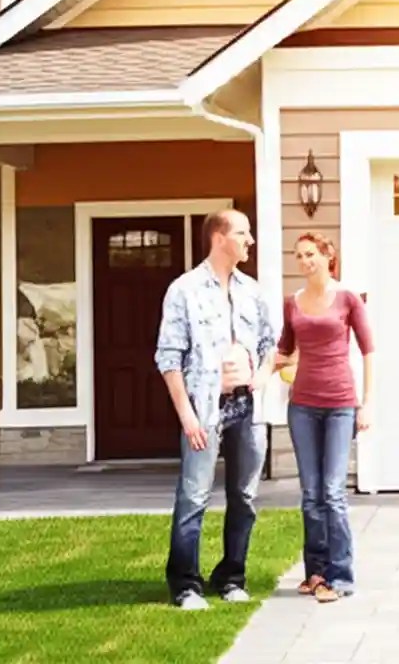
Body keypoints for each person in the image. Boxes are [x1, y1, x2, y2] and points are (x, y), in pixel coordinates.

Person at [155, 209, 277, 611]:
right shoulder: (184, 290)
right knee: (194, 496)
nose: (250, 240)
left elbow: (268, 345)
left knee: (244, 496)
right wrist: (187, 416)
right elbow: (169, 359)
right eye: (243, 233)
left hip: (247, 408)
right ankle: (185, 585)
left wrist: (259, 376)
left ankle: (231, 576)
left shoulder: (252, 291)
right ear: (219, 238)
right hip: (205, 410)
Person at [276, 232, 374, 603]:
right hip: (302, 405)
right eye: (299, 256)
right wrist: (255, 374)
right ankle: (315, 573)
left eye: (311, 254)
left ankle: (342, 576)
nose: (305, 261)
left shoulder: (348, 299)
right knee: (310, 494)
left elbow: (368, 351)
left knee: (333, 493)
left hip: (339, 405)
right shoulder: (292, 303)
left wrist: (367, 403)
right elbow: (285, 350)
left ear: (327, 255)